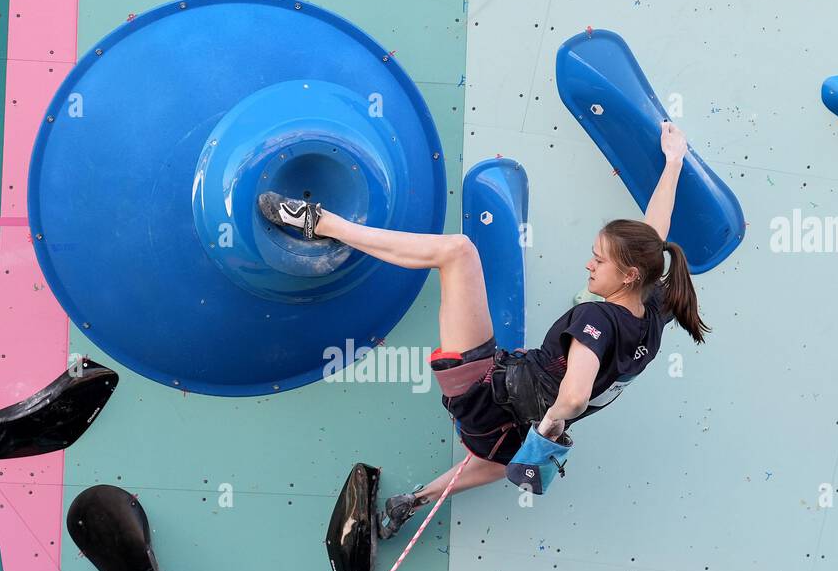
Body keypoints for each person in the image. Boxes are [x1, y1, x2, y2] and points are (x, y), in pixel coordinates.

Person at [259, 122, 709, 539]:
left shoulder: (596, 320)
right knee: (496, 462)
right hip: (506, 430)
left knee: (457, 252)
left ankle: (321, 223)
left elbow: (572, 397)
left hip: (480, 391)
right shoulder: (651, 313)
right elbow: (654, 233)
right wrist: (672, 162)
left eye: (600, 260)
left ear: (629, 275)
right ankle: (411, 502)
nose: (589, 264)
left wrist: (549, 431)